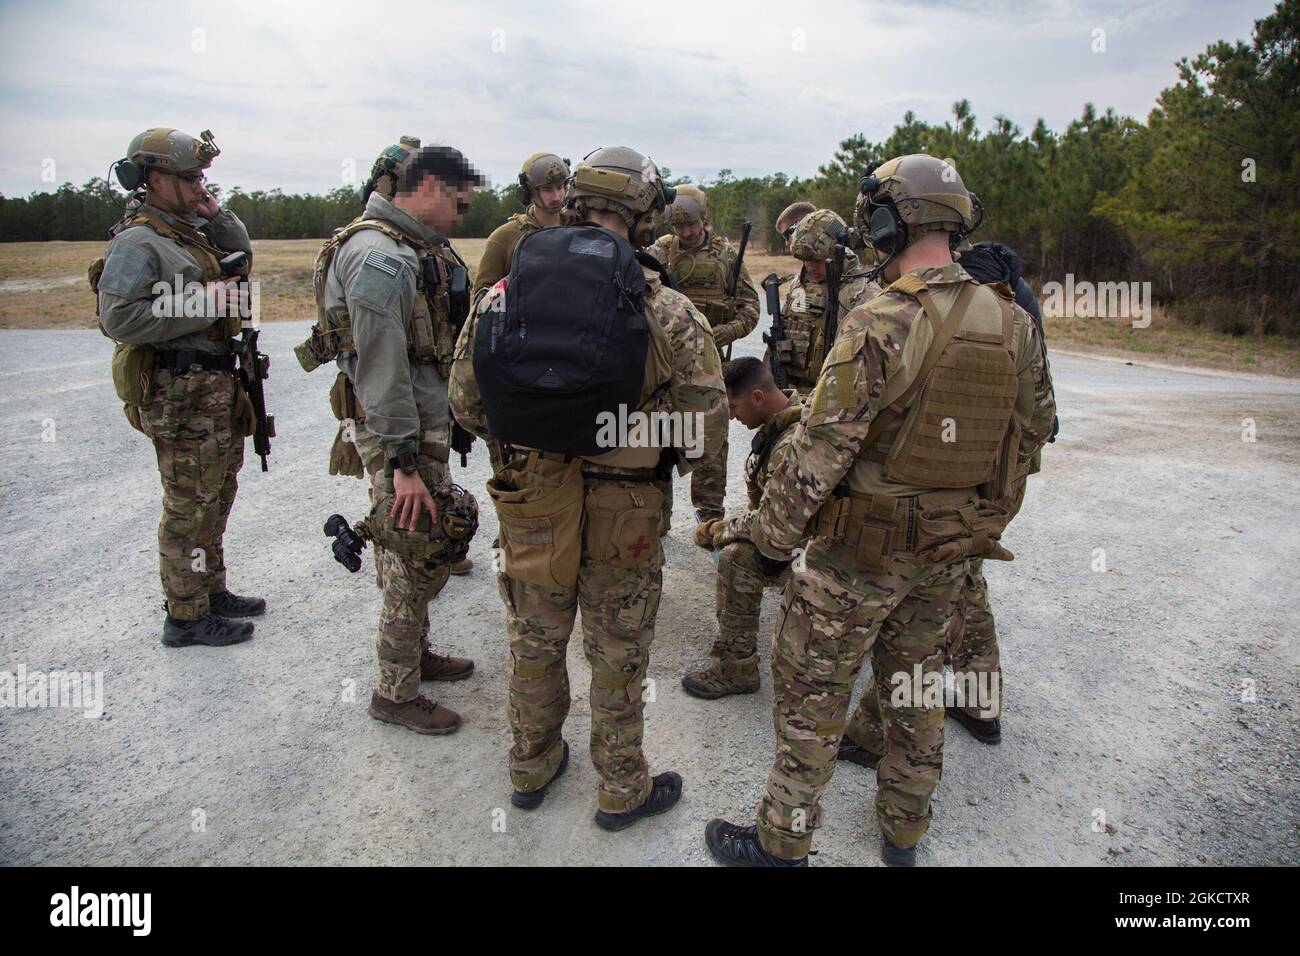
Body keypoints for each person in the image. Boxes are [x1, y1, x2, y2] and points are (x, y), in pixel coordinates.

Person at [704, 154, 1056, 867]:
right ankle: (903, 831)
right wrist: (980, 521)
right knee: (917, 690)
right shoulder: (1015, 323)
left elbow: (819, 455)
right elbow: (1033, 431)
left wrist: (769, 543)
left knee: (813, 696)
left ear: (890, 220)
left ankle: (782, 843)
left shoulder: (881, 320)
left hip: (858, 557)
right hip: (948, 555)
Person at [450, 146, 727, 829]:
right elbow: (706, 428)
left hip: (534, 500)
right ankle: (621, 789)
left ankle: (531, 766)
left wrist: (534, 438)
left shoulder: (504, 292)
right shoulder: (666, 307)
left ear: (575, 202)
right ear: (642, 214)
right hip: (624, 511)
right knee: (618, 655)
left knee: (534, 642)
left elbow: (464, 400)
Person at [315, 145, 484, 734]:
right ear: (431, 186)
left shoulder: (405, 247)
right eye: (458, 203)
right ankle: (394, 691)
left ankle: (413, 656)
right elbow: (381, 365)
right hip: (400, 437)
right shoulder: (380, 256)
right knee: (414, 553)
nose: (459, 218)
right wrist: (403, 461)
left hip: (414, 428)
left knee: (413, 549)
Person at [93, 127, 262, 648]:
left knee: (218, 490)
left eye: (202, 178)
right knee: (189, 503)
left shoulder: (185, 231)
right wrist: (203, 304)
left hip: (212, 385)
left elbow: (242, 255)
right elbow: (117, 316)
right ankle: (185, 615)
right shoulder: (139, 241)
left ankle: (210, 590)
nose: (198, 187)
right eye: (189, 179)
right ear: (154, 179)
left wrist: (216, 214)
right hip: (177, 391)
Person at [682, 357, 803, 700]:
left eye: (734, 406)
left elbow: (773, 525)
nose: (732, 416)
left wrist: (718, 530)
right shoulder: (784, 424)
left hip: (813, 551)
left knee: (736, 557)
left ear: (758, 398)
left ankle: (737, 670)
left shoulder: (790, 443)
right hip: (804, 535)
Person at [646, 184, 752, 539]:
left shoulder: (726, 255)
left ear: (704, 218)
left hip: (709, 363)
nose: (686, 233)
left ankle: (709, 515)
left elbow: (751, 309)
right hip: (663, 362)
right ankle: (656, 516)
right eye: (679, 227)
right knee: (657, 436)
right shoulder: (659, 252)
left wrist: (722, 332)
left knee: (710, 436)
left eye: (691, 225)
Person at [769, 209, 877, 392]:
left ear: (840, 251)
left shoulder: (863, 293)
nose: (811, 267)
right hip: (790, 392)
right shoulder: (798, 284)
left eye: (818, 260)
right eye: (805, 260)